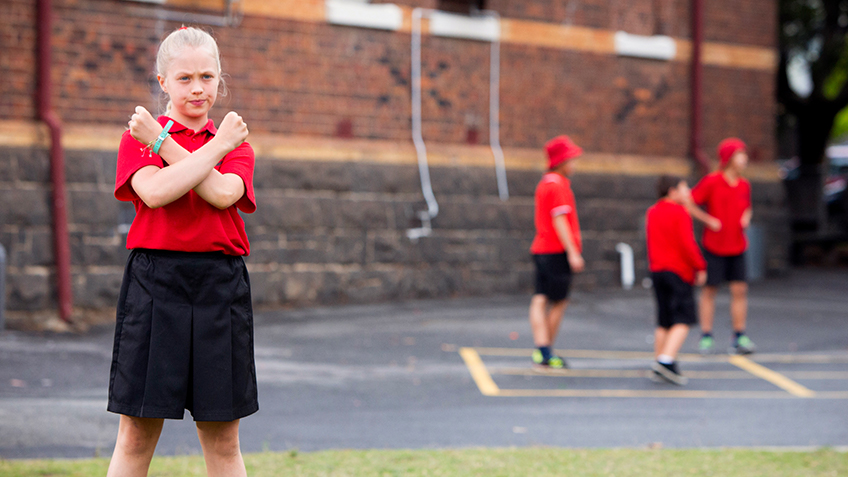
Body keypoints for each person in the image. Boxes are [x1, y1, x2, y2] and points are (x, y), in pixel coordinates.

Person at [107, 26, 257, 477]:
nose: (198, 89)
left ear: (219, 80)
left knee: (223, 439)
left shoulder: (235, 143)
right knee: (135, 434)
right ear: (163, 82)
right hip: (154, 283)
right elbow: (155, 193)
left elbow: (223, 195)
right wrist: (208, 145)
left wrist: (169, 143)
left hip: (220, 287)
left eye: (208, 77)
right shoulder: (139, 137)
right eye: (186, 78)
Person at [689, 138, 756, 355]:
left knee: (740, 290)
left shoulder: (745, 184)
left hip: (737, 245)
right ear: (728, 158)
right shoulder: (712, 181)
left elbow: (747, 207)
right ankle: (706, 336)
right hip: (714, 246)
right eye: (740, 154)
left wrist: (746, 217)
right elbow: (689, 202)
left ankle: (739, 335)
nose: (744, 159)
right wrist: (708, 220)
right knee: (709, 290)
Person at [528, 135, 586, 369]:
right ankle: (546, 350)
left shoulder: (544, 183)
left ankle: (542, 348)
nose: (573, 164)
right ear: (561, 161)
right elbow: (560, 220)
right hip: (555, 251)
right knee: (559, 301)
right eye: (570, 159)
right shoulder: (559, 185)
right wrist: (573, 252)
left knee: (540, 299)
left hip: (540, 248)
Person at [646, 176, 707, 385]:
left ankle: (658, 361)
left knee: (664, 319)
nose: (688, 191)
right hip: (678, 271)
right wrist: (700, 265)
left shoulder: (652, 211)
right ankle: (666, 360)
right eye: (684, 187)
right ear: (672, 191)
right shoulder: (680, 212)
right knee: (683, 318)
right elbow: (687, 244)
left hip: (657, 270)